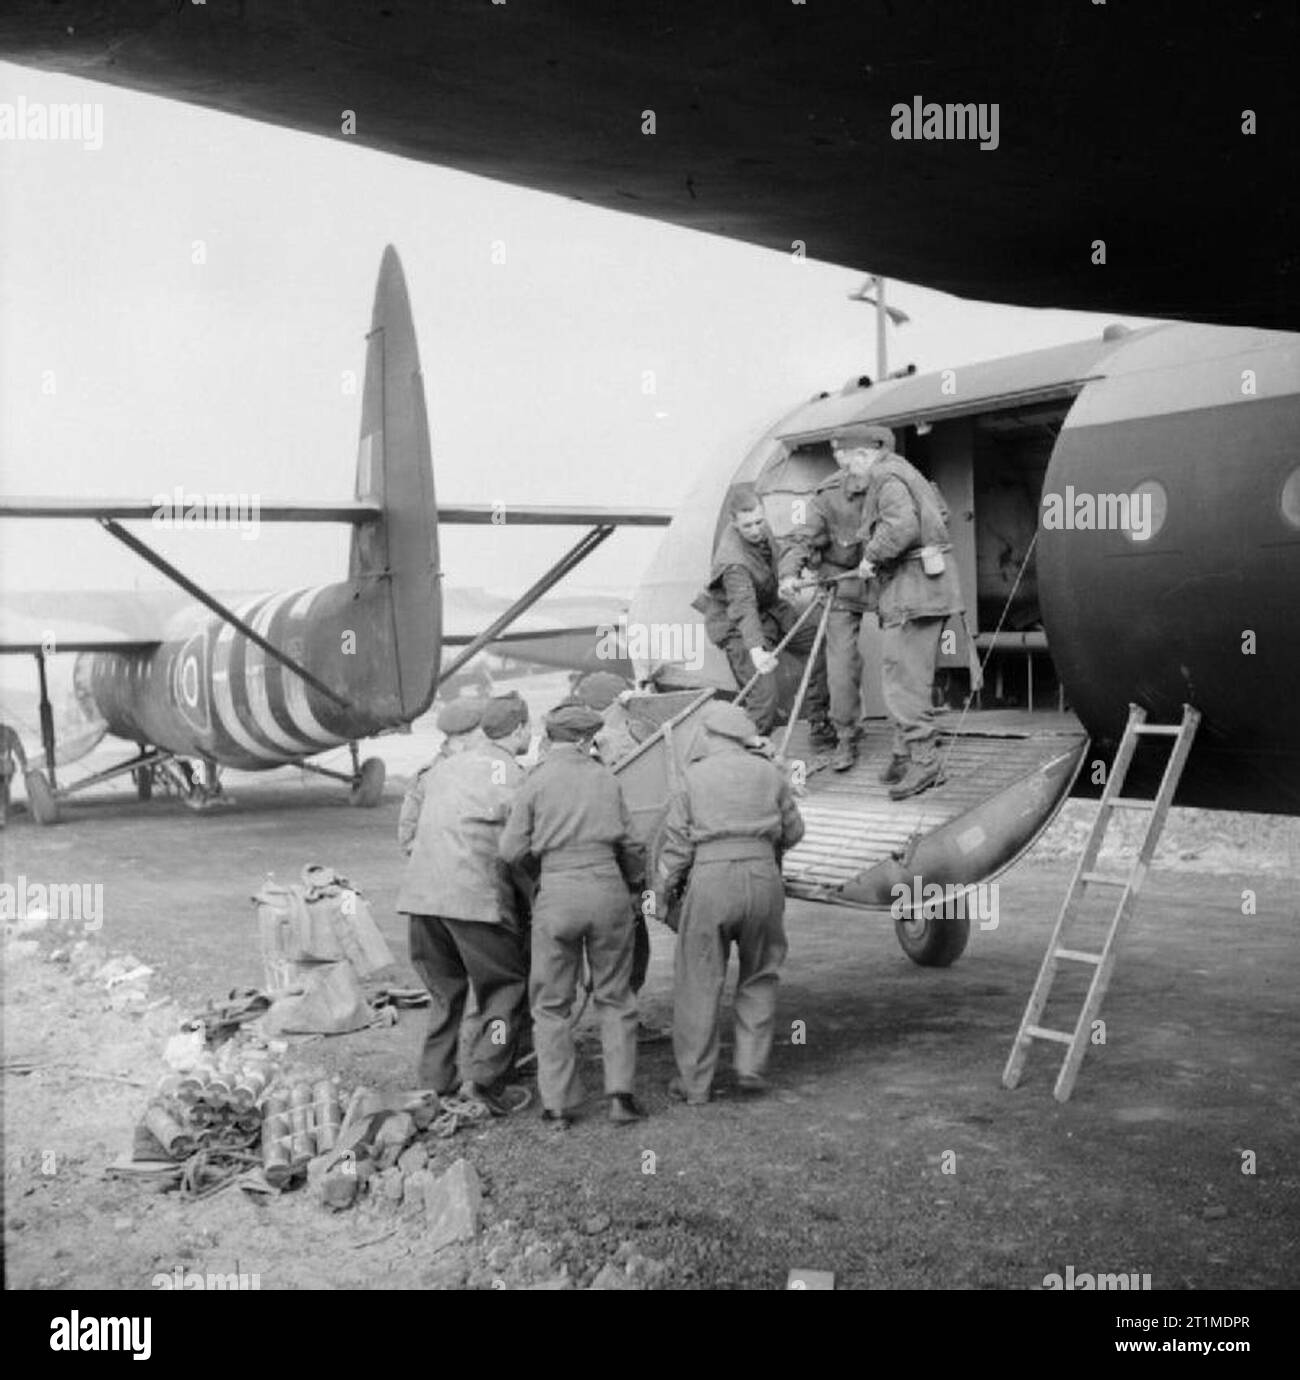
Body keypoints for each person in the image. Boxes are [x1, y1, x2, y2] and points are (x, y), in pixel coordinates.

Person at [500, 702, 647, 1129]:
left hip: (557, 894)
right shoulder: (606, 778)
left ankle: (559, 1106)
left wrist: (540, 877)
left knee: (550, 1006)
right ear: (586, 740)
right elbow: (633, 846)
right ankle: (620, 1098)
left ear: (553, 738)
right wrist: (635, 887)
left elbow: (509, 850)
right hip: (607, 890)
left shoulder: (534, 780)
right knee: (616, 998)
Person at [654, 700, 805, 1105]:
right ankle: (750, 1066)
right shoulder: (771, 774)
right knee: (760, 971)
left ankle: (696, 1084)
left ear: (709, 735)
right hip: (763, 880)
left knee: (699, 981)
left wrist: (662, 892)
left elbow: (677, 849)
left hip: (711, 880)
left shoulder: (691, 778)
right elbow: (794, 832)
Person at [396, 695, 532, 1114]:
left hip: (421, 902)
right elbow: (521, 848)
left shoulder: (435, 773)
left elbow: (409, 839)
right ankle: (485, 1082)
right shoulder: (512, 774)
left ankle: (435, 1081)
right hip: (474, 903)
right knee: (504, 992)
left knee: (446, 992)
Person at [853, 432, 965, 799]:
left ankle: (925, 761)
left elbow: (901, 527)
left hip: (913, 593)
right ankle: (904, 754)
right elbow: (941, 514)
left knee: (903, 680)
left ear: (864, 455)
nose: (848, 470)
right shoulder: (907, 472)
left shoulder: (885, 479)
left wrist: (871, 556)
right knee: (905, 673)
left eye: (848, 460)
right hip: (927, 589)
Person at [778, 423, 891, 771]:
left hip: (890, 583)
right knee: (841, 667)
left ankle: (911, 738)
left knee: (904, 660)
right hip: (843, 585)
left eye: (858, 456)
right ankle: (846, 737)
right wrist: (788, 573)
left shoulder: (896, 482)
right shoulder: (828, 495)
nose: (850, 465)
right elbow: (802, 539)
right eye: (844, 457)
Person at [692, 483, 833, 743]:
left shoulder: (761, 529)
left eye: (759, 522)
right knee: (764, 694)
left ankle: (819, 720)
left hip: (770, 609)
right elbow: (743, 607)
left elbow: (776, 558)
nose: (756, 530)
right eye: (748, 526)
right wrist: (757, 650)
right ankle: (749, 753)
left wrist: (792, 576)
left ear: (763, 514)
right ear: (734, 523)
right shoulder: (733, 562)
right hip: (737, 624)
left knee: (815, 640)